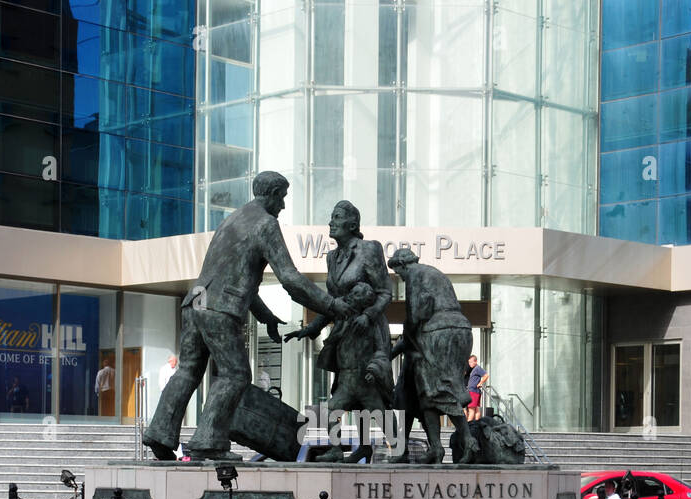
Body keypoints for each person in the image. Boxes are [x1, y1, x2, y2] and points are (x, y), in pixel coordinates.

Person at [143, 171, 344, 461]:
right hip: (219, 308)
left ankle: (159, 433)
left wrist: (268, 318)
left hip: (196, 301)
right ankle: (208, 441)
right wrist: (331, 306)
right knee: (235, 374)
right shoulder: (265, 224)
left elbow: (233, 278)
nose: (284, 206)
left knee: (188, 369)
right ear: (273, 194)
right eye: (283, 198)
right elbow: (290, 279)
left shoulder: (232, 220)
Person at [285, 200, 393, 463]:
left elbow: (385, 292)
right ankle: (353, 449)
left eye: (337, 217)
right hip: (344, 336)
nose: (330, 222)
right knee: (351, 401)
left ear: (353, 224)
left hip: (367, 332)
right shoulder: (331, 257)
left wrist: (368, 315)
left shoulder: (369, 249)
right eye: (331, 217)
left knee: (367, 400)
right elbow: (334, 303)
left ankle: (386, 445)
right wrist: (310, 328)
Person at [386, 248, 478, 465]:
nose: (400, 276)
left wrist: (397, 346)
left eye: (399, 272)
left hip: (438, 333)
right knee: (432, 391)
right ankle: (436, 448)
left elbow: (416, 314)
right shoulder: (434, 273)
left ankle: (468, 441)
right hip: (460, 330)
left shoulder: (415, 275)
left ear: (403, 265)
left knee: (438, 391)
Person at [465, 354, 489, 423]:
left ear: (475, 361)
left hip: (473, 391)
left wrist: (480, 383)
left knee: (471, 410)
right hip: (473, 391)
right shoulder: (474, 369)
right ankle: (477, 425)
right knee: (476, 409)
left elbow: (486, 375)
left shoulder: (477, 368)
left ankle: (468, 427)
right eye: (469, 362)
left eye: (471, 362)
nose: (470, 364)